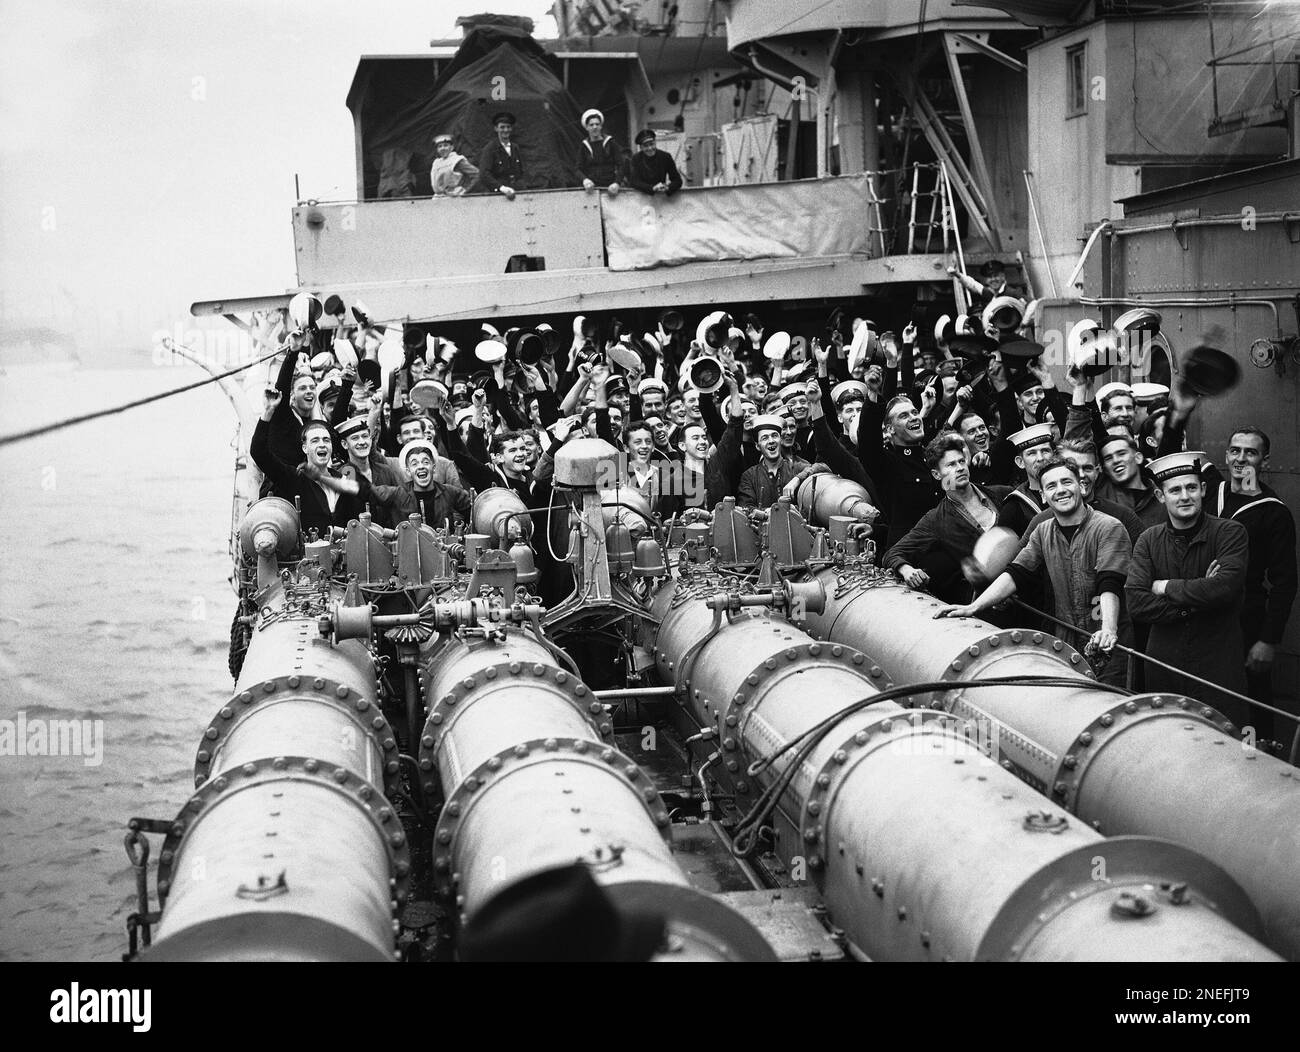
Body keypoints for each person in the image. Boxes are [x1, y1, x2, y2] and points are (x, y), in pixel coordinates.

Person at [937, 456, 1132, 685]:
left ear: (1080, 485)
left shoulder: (1109, 527)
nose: (1060, 490)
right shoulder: (1042, 531)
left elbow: (1109, 582)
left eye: (1066, 482)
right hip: (1066, 639)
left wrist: (1108, 629)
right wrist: (973, 607)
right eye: (1051, 486)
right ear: (1043, 496)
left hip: (1108, 642)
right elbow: (1016, 573)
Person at [1126, 451, 1252, 730]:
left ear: (1203, 489)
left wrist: (1165, 586)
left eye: (1191, 487)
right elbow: (1137, 602)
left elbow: (1224, 588)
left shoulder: (1230, 532)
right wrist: (1196, 600)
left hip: (1218, 668)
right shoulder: (1149, 539)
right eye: (1175, 490)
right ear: (1161, 496)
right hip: (1165, 667)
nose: (1184, 496)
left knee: (1224, 744)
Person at [884, 432, 1009, 604]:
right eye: (950, 465)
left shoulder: (1002, 494)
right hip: (990, 603)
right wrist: (906, 570)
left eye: (961, 461)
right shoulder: (935, 520)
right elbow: (893, 553)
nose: (959, 468)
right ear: (937, 474)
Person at [251, 395, 367, 539]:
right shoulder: (294, 479)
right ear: (305, 448)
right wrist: (268, 411)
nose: (322, 444)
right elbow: (259, 453)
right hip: (307, 558)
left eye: (326, 440)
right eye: (315, 441)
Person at [856, 391, 940, 551]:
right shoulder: (888, 463)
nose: (914, 417)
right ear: (890, 429)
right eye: (903, 415)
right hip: (909, 556)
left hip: (944, 548)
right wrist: (873, 395)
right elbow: (868, 444)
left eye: (915, 412)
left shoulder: (932, 458)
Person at [365, 439, 472, 532]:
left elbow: (473, 512)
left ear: (433, 467)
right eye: (414, 464)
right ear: (408, 471)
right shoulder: (397, 494)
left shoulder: (450, 492)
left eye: (425, 462)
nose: (421, 466)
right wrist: (349, 473)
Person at [737, 415, 825, 509]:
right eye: (765, 438)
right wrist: (769, 512)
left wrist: (798, 479)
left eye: (774, 436)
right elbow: (746, 508)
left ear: (780, 439)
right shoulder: (750, 476)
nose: (771, 441)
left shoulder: (798, 468)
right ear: (758, 446)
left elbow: (824, 468)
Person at [478, 112, 525, 200]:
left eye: (508, 127)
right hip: (498, 195)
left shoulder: (515, 148)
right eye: (502, 127)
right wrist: (501, 188)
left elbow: (521, 171)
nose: (505, 130)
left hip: (517, 192)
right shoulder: (490, 148)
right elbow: (484, 174)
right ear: (496, 129)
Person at [577, 109, 624, 195]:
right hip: (592, 190)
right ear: (587, 127)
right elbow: (578, 169)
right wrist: (585, 180)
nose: (594, 127)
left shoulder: (610, 142)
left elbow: (621, 165)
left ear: (601, 126)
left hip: (611, 188)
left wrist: (617, 183)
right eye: (591, 125)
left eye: (597, 124)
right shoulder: (584, 146)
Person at [626, 129, 683, 196]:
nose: (650, 148)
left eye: (652, 144)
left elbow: (677, 180)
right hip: (642, 197)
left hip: (661, 197)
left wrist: (668, 188)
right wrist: (652, 188)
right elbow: (634, 182)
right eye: (645, 146)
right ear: (641, 147)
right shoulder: (636, 159)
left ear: (655, 143)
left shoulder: (665, 157)